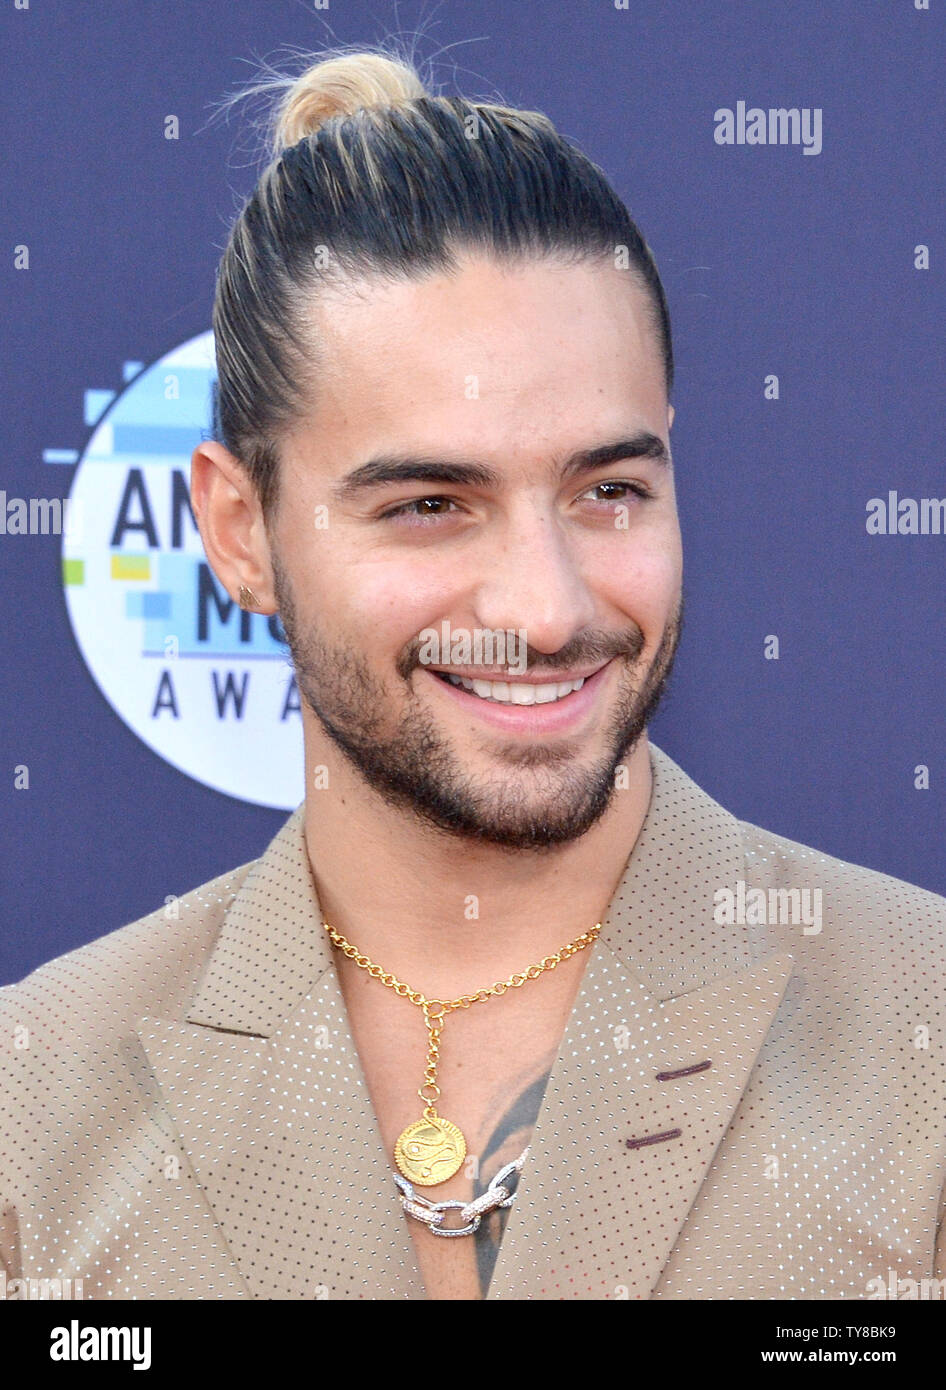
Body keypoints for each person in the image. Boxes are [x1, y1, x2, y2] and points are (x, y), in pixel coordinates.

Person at [2, 46, 944, 1303]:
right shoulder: (37, 1103)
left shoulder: (920, 1042)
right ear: (240, 531)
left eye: (608, 491)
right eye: (431, 504)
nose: (546, 609)